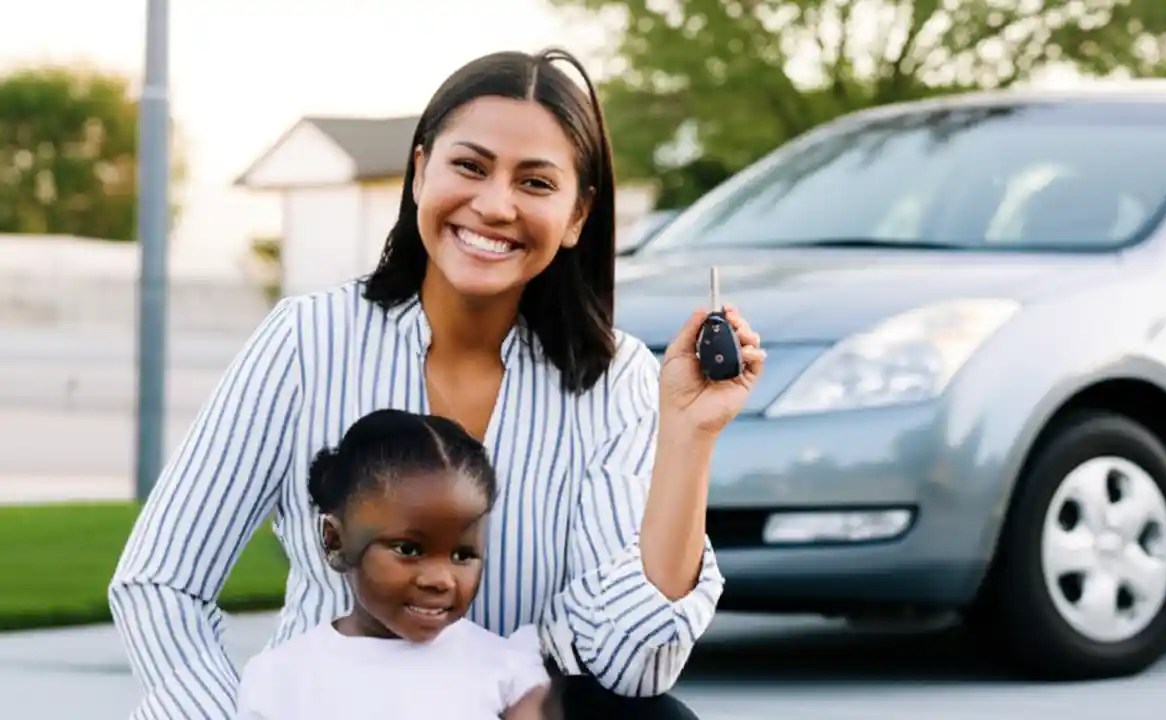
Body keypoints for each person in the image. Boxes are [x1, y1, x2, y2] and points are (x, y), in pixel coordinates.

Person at [108, 46, 765, 720]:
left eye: (535, 183)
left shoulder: (613, 379)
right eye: (471, 167)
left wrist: (689, 436)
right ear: (420, 171)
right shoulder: (308, 339)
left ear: (576, 217)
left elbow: (632, 665)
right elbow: (161, 581)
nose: (494, 204)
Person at [236, 409, 550, 719]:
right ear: (334, 541)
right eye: (409, 549)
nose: (441, 580)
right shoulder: (280, 679)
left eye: (462, 555)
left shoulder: (509, 674)